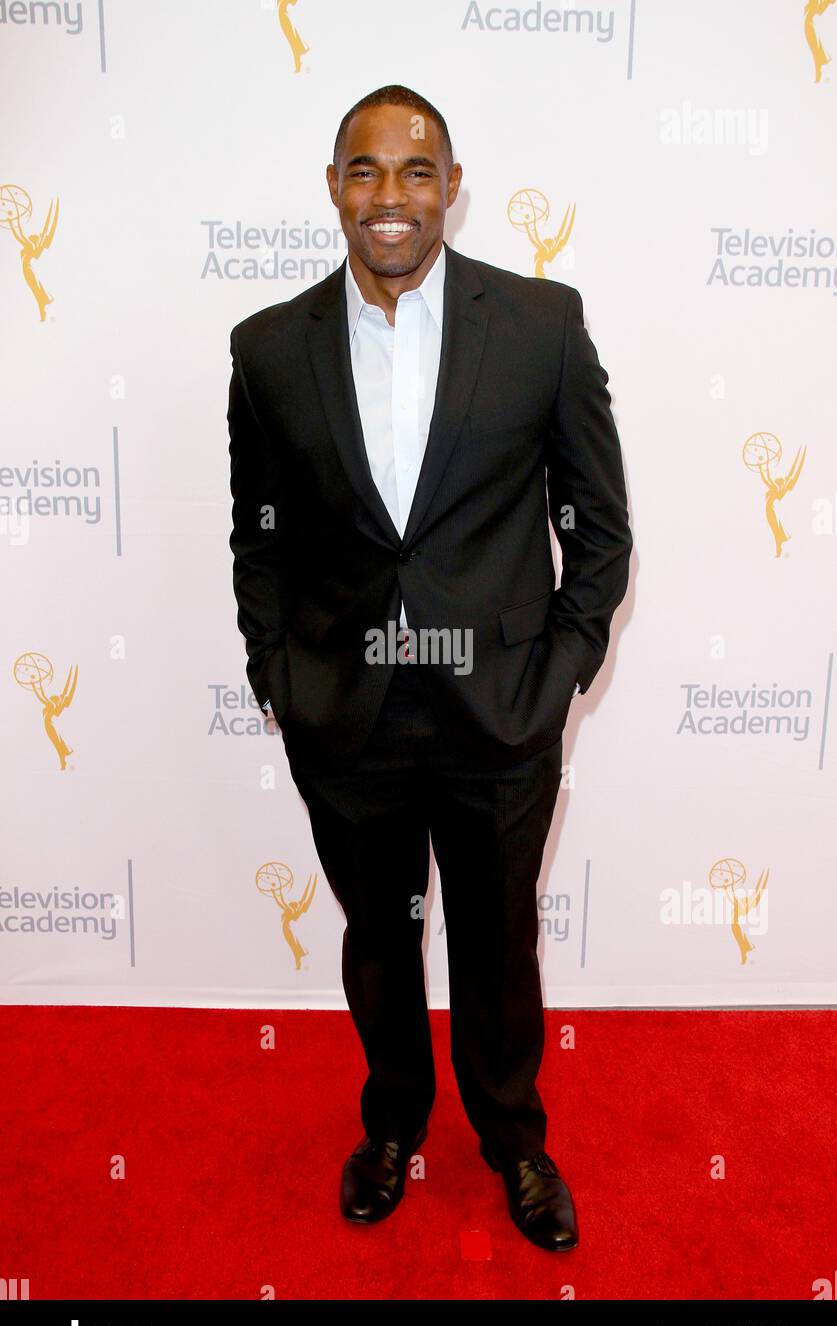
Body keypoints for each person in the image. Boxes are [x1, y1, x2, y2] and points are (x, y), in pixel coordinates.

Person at [228, 84, 633, 1252]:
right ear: (333, 189)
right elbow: (258, 529)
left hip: (498, 713)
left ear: (452, 187)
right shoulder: (268, 348)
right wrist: (276, 672)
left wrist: (558, 670)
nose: (390, 197)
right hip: (346, 713)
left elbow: (599, 526)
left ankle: (513, 1140)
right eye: (365, 171)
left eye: (416, 171)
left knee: (500, 941)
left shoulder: (543, 324)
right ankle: (393, 1125)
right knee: (378, 939)